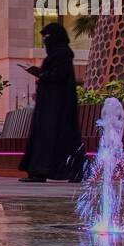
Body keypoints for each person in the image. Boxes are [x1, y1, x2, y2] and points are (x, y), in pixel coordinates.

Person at [20, 22, 84, 183]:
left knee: (53, 136)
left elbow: (56, 76)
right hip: (50, 105)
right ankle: (42, 171)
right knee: (47, 136)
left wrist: (35, 71)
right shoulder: (58, 54)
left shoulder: (62, 54)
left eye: (47, 37)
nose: (45, 41)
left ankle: (50, 171)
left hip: (57, 107)